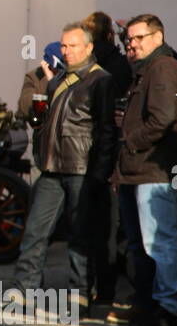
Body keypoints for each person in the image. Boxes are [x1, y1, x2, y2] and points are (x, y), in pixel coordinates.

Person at [12, 23, 116, 302]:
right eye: (64, 45)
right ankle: (25, 289)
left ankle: (79, 293)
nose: (66, 51)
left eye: (72, 46)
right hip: (51, 166)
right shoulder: (58, 79)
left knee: (80, 236)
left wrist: (100, 172)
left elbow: (107, 131)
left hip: (81, 167)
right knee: (35, 231)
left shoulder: (100, 80)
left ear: (88, 48)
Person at [106, 14, 177, 326]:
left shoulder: (163, 67)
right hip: (137, 170)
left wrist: (130, 141)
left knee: (160, 242)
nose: (133, 44)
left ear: (158, 36)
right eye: (129, 40)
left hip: (155, 170)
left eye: (139, 38)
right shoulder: (144, 71)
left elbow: (163, 118)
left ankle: (167, 310)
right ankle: (147, 306)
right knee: (142, 244)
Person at [85, 11, 132, 98]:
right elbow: (136, 62)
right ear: (109, 35)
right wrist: (126, 39)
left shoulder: (83, 60)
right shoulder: (121, 62)